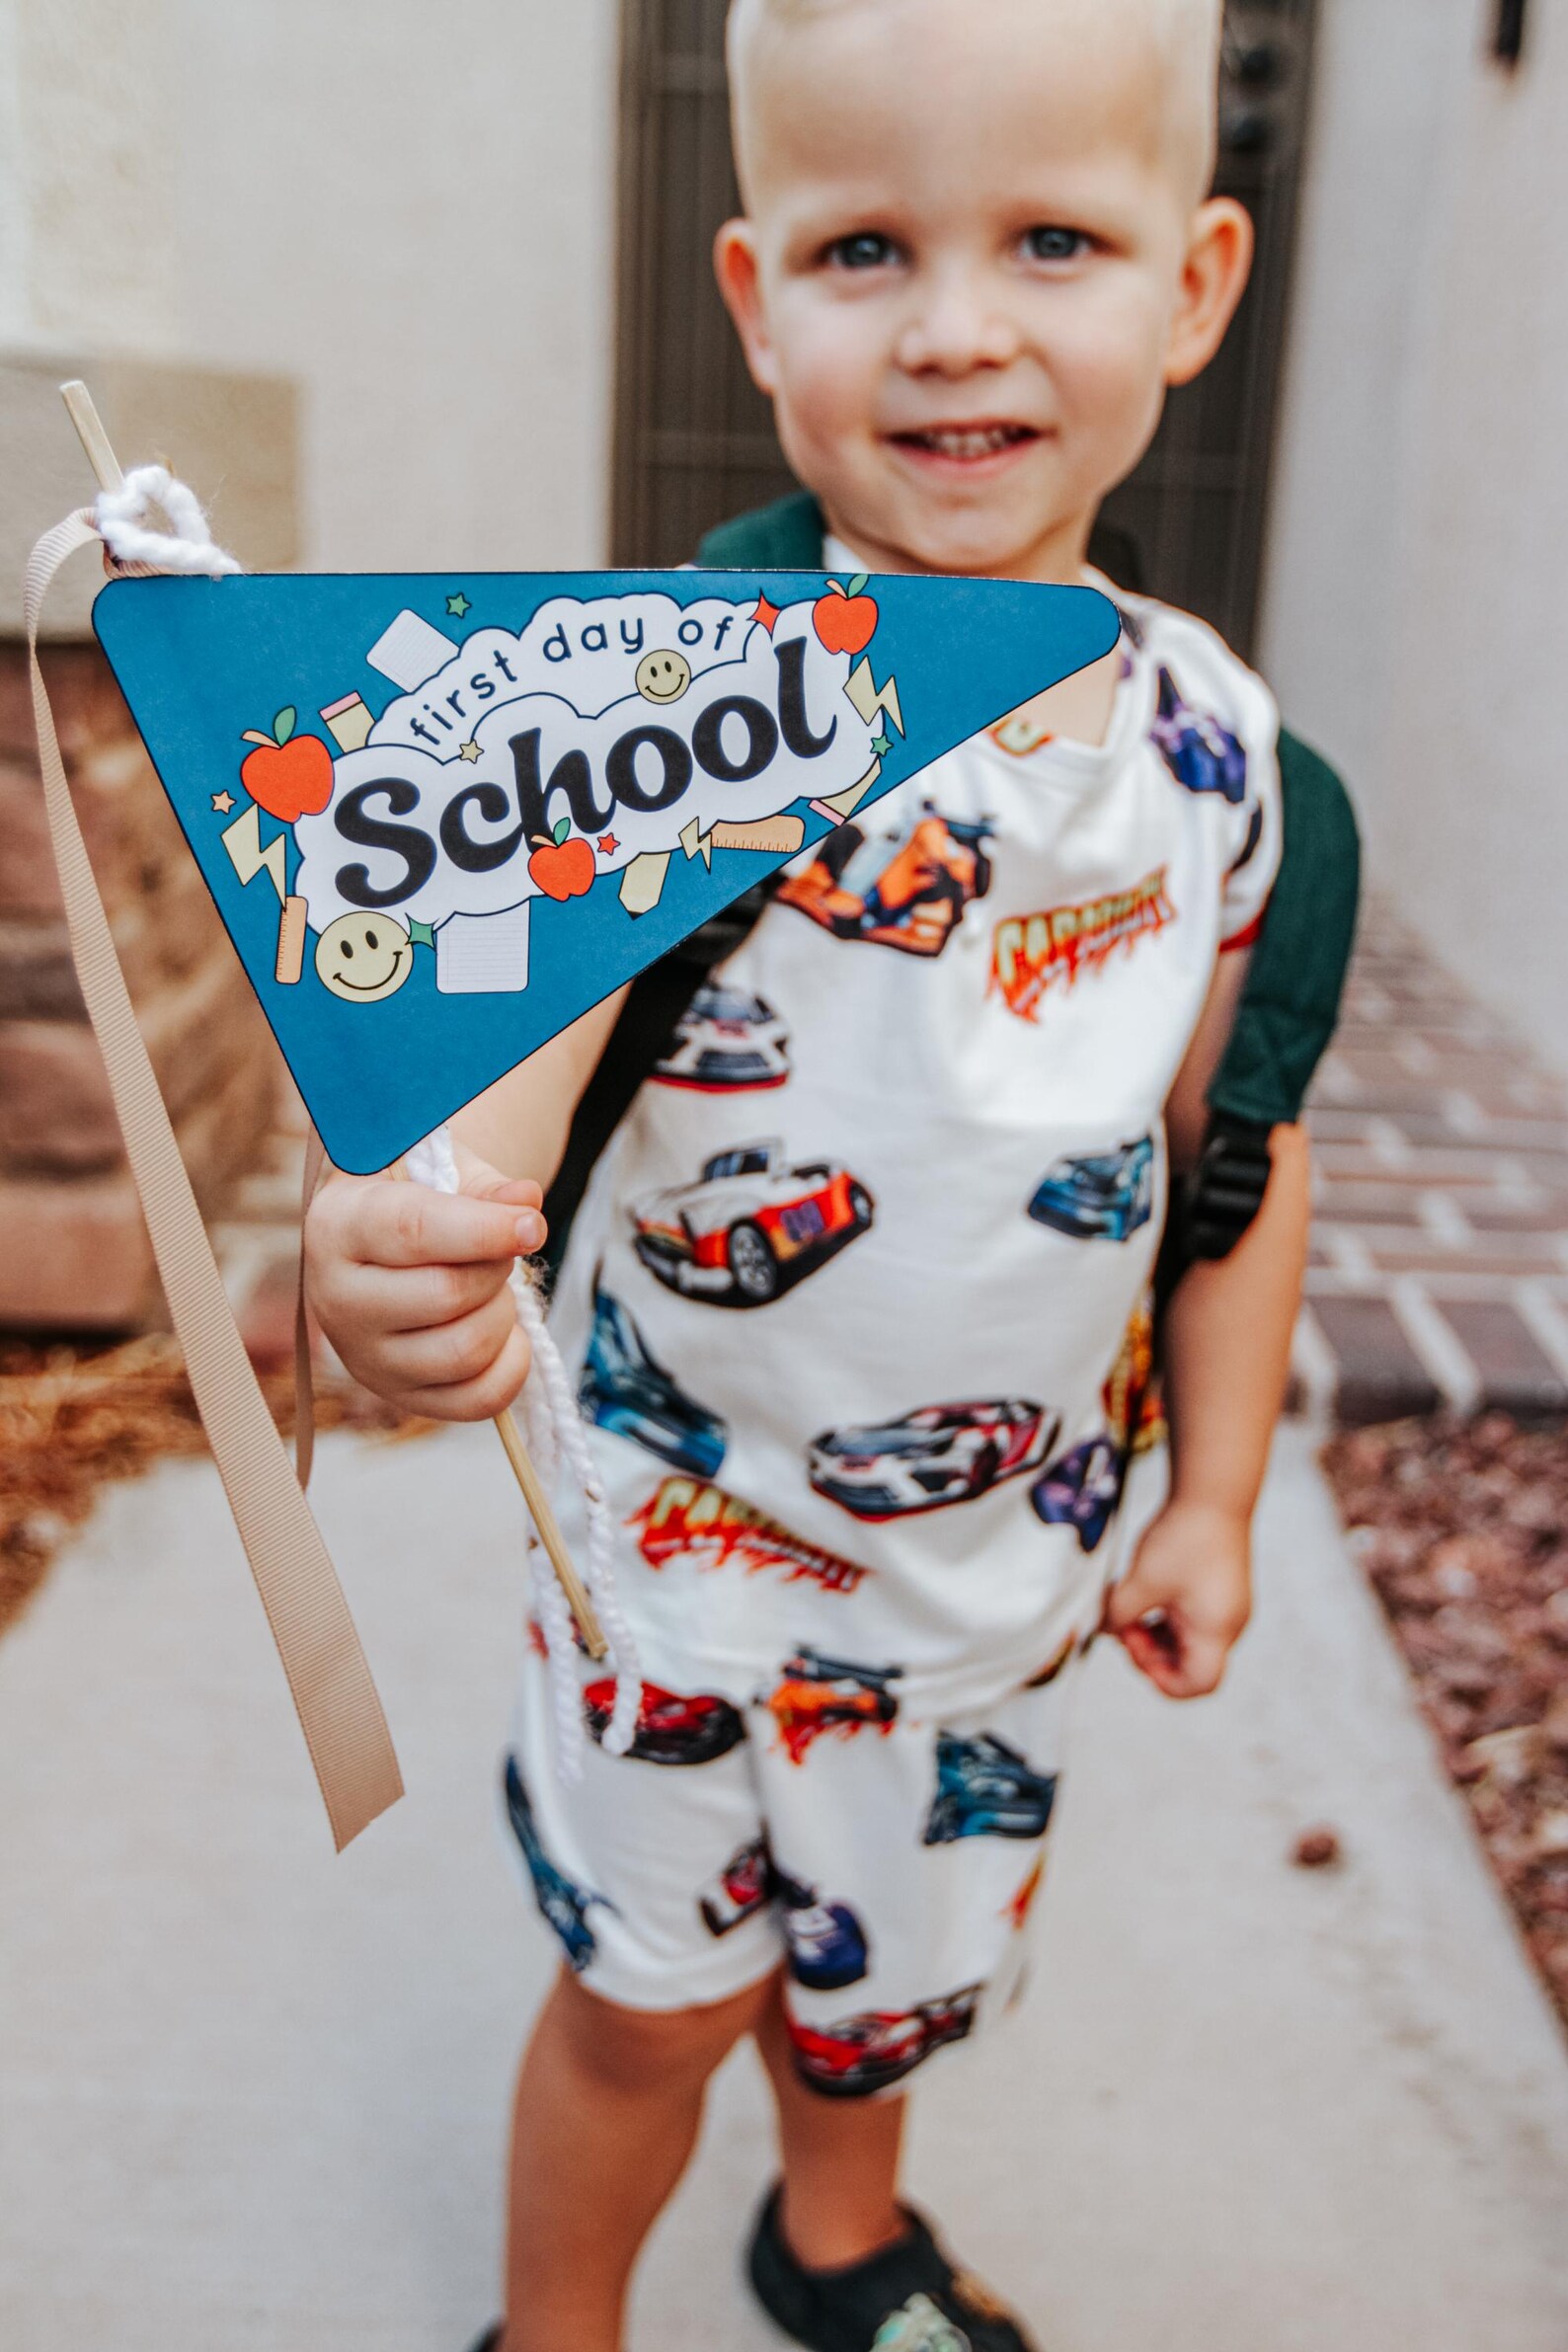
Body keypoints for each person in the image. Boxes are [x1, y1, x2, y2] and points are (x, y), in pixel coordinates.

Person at [305, 5, 1350, 2347]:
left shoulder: (1218, 757)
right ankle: (555, 2326)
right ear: (756, 298)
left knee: (880, 1996)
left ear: (1193, 284)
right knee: (651, 2011)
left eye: (1050, 239)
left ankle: (837, 2241)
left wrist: (1209, 1496)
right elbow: (481, 1094)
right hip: (673, 1576)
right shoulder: (666, 706)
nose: (955, 326)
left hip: (992, 1582)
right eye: (867, 247)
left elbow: (1233, 1160)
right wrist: (392, 1250)